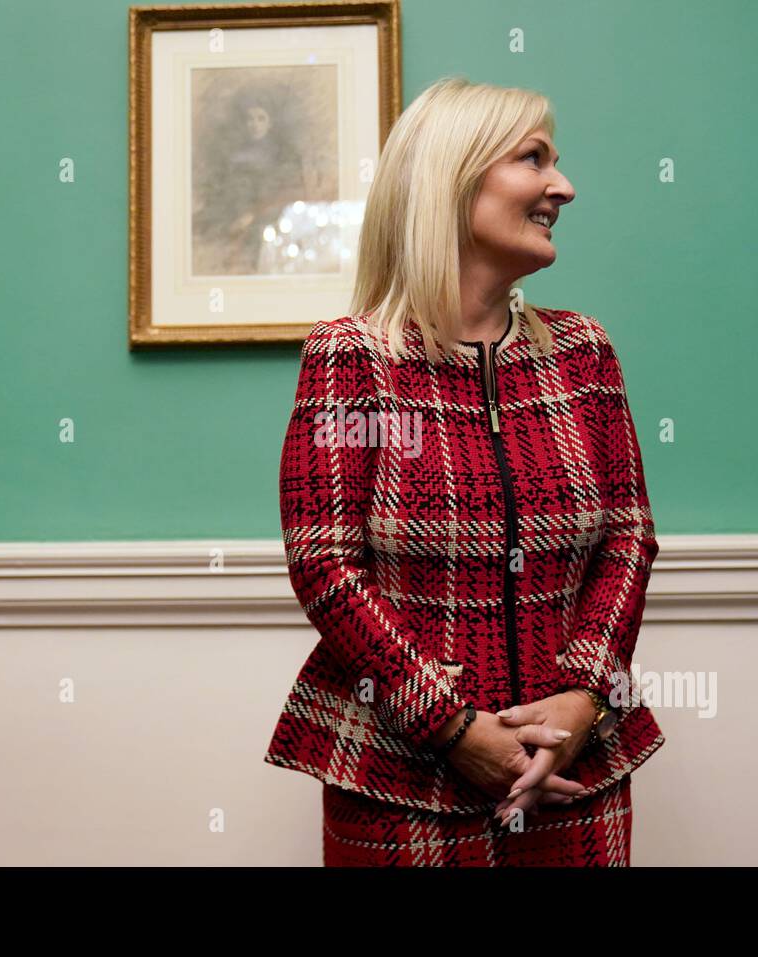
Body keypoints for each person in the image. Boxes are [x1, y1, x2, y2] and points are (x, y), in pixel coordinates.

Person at [264, 76, 665, 866]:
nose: (564, 186)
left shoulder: (583, 351)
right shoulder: (352, 357)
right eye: (534, 159)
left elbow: (628, 540)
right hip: (399, 781)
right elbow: (326, 566)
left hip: (573, 770)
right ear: (453, 176)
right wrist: (452, 728)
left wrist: (584, 696)